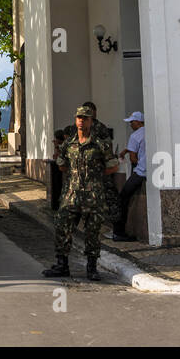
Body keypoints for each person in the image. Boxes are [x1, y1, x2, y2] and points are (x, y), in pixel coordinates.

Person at [43, 104, 119, 281]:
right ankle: (62, 264)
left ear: (91, 121)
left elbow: (113, 166)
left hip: (93, 197)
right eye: (79, 117)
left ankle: (91, 267)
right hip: (71, 196)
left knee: (92, 233)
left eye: (85, 118)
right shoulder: (69, 144)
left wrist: (95, 177)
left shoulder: (100, 145)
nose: (81, 121)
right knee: (63, 228)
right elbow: (61, 165)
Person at [60, 100, 118, 229]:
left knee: (108, 197)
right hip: (81, 172)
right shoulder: (76, 128)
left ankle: (114, 226)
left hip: (97, 168)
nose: (83, 119)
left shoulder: (100, 127)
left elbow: (108, 146)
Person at [113, 112, 148, 240]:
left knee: (122, 199)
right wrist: (126, 150)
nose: (130, 124)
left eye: (132, 122)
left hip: (140, 172)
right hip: (149, 171)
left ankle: (119, 232)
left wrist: (137, 160)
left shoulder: (134, 136)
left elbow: (133, 159)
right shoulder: (148, 132)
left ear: (138, 122)